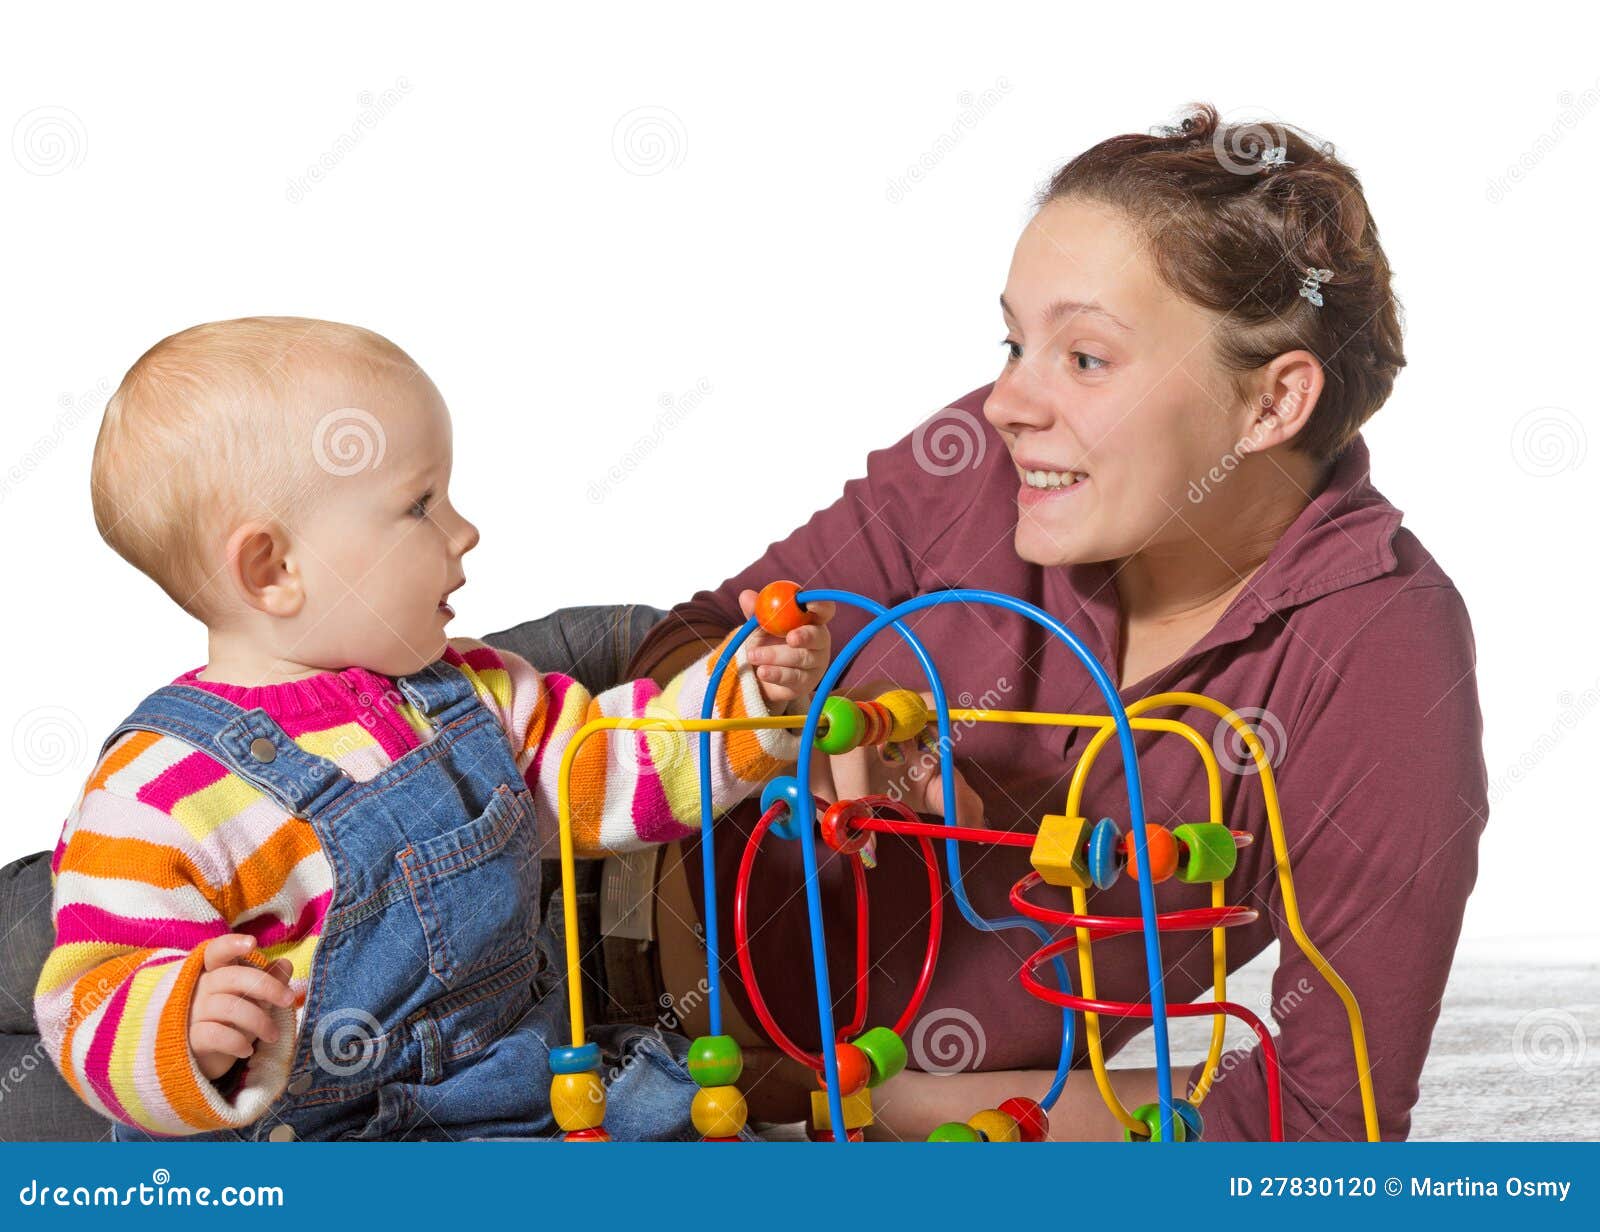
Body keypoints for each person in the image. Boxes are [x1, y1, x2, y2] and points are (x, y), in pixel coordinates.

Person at [626, 105, 1488, 1141]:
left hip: (677, 1084)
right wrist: (767, 724)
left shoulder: (1381, 652)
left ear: (1268, 405)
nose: (1004, 401)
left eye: (1085, 357)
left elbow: (1322, 1127)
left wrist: (844, 1099)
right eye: (1014, 339)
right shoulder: (980, 463)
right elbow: (690, 633)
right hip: (561, 848)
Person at [34, 317, 833, 1140]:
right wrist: (183, 1027)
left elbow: (612, 769)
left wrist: (744, 697)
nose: (464, 530)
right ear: (273, 570)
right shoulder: (158, 790)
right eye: (421, 505)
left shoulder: (473, 693)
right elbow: (86, 996)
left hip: (525, 1109)